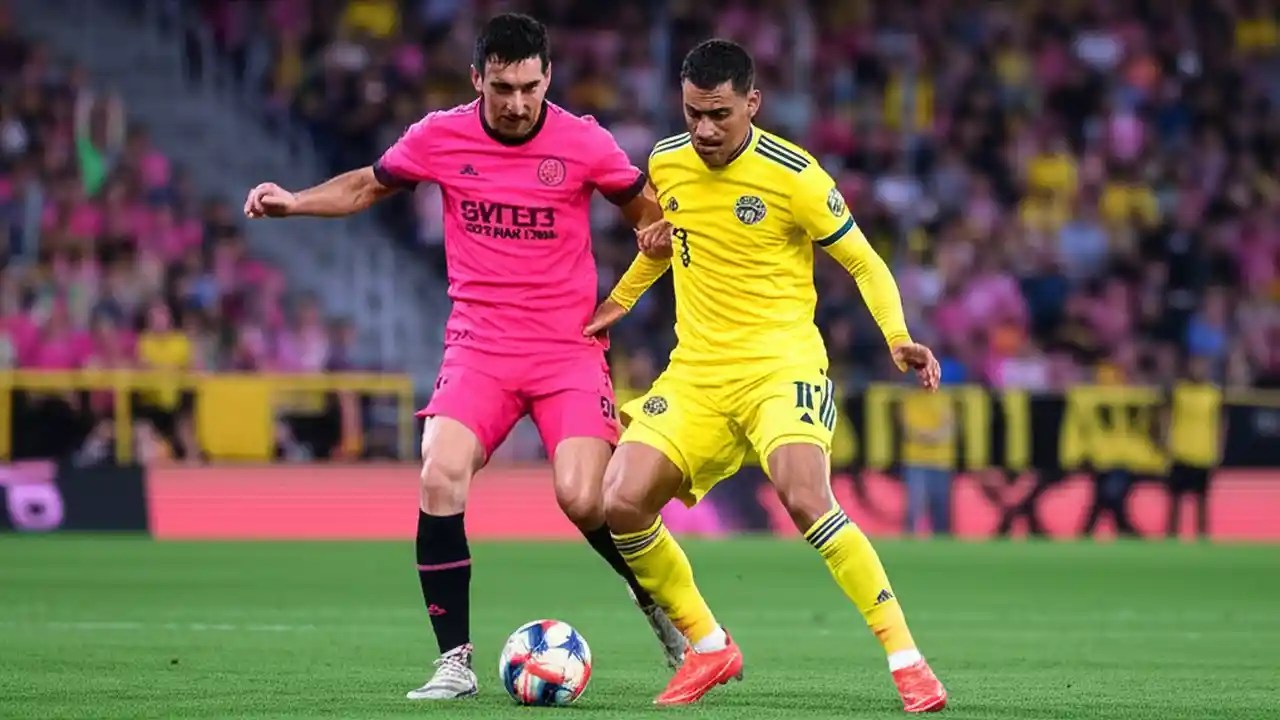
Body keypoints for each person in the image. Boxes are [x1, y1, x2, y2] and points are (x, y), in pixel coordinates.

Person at [242, 13, 684, 701]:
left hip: (566, 348)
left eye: (529, 87)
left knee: (584, 496)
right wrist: (293, 202)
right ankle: (455, 662)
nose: (517, 103)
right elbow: (366, 185)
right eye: (503, 88)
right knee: (439, 473)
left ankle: (657, 602)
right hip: (479, 346)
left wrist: (653, 241)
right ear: (477, 79)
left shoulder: (584, 141)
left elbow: (646, 212)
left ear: (548, 78)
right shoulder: (440, 135)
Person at [584, 39, 947, 711]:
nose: (704, 130)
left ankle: (908, 660)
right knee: (620, 502)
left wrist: (898, 337)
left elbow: (864, 261)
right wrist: (621, 301)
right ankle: (708, 644)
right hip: (697, 373)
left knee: (805, 497)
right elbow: (672, 240)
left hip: (781, 366)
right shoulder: (666, 160)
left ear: (752, 103)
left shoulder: (795, 175)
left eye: (719, 114)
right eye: (693, 113)